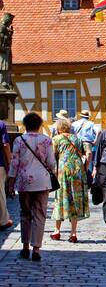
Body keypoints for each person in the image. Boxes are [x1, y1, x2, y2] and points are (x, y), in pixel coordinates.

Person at [8, 111, 57, 262]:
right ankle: (36, 249)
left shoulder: (19, 140)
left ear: (25, 125)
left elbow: (14, 162)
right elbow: (51, 163)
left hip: (24, 182)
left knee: (25, 214)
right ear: (40, 125)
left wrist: (11, 182)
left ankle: (25, 247)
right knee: (40, 215)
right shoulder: (47, 140)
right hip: (42, 182)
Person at [49, 114, 90, 243]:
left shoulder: (56, 139)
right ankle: (73, 233)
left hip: (63, 171)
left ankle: (57, 231)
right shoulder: (77, 139)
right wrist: (85, 167)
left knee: (61, 199)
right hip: (78, 172)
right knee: (75, 200)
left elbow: (51, 158)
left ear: (59, 128)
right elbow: (88, 153)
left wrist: (53, 172)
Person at [0, 114, 12, 230]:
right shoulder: (1, 124)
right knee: (0, 193)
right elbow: (5, 145)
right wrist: (9, 162)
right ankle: (3, 221)